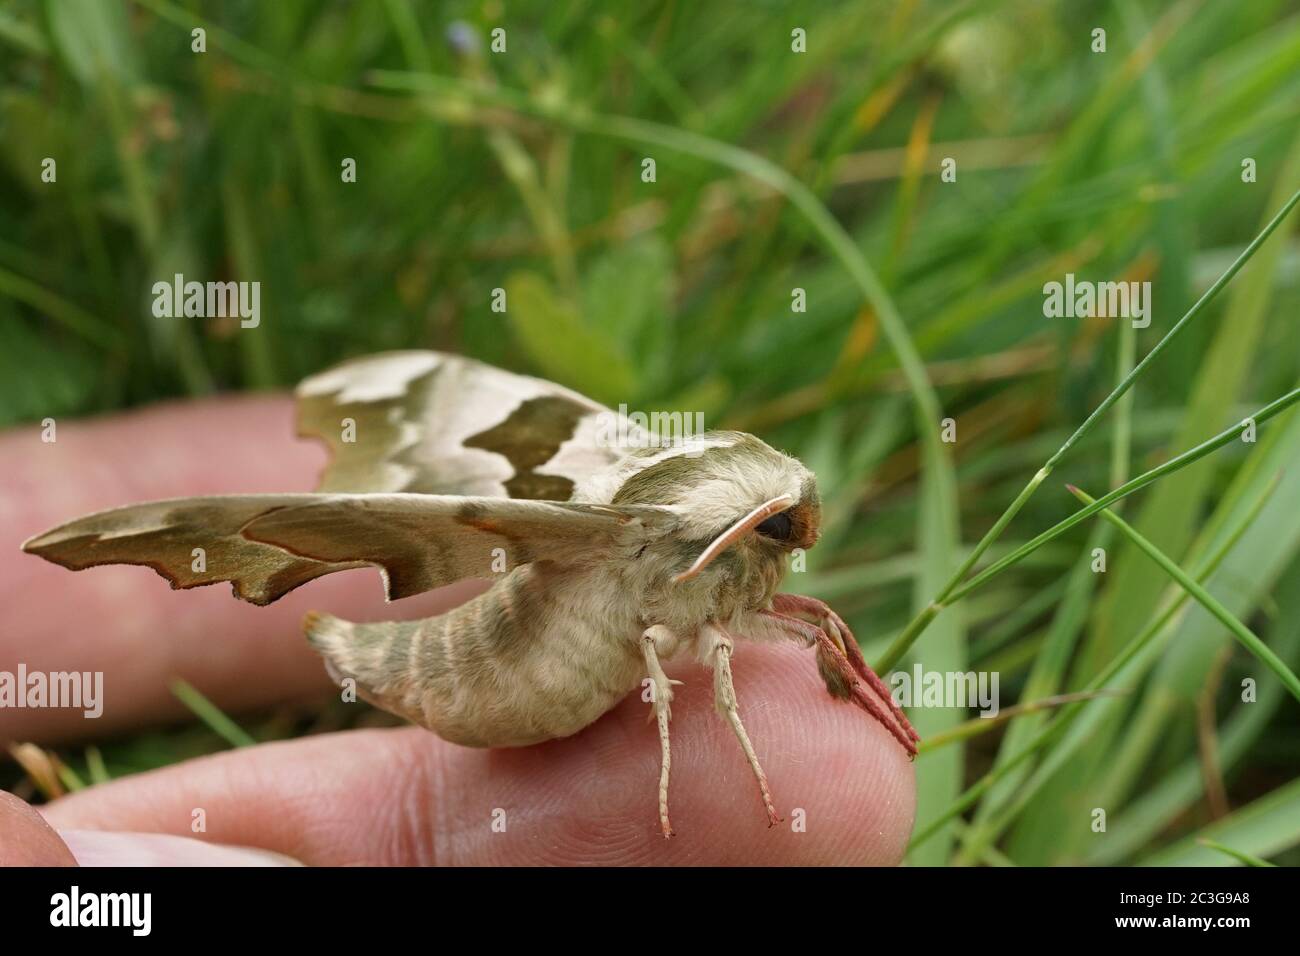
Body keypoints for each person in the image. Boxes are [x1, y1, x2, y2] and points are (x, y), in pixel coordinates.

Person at [0, 397, 914, 865]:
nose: (794, 554)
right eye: (783, 533)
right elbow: (674, 648)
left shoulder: (719, 574)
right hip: (489, 670)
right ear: (736, 528)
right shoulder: (648, 545)